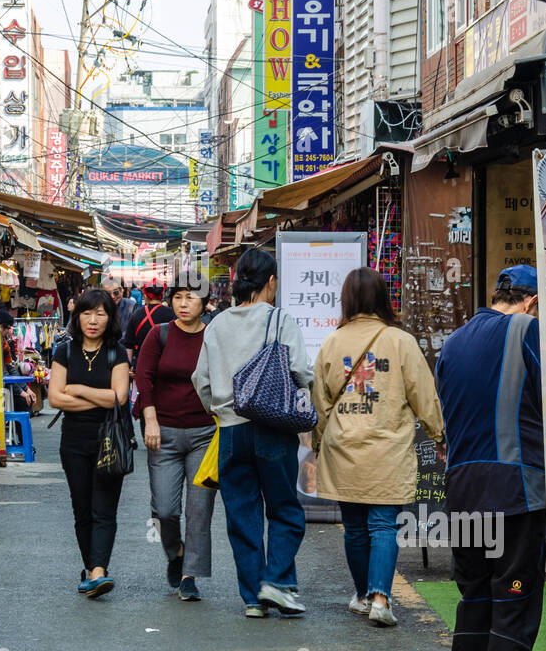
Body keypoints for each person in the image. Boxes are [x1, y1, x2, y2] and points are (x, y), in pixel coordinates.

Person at [434, 264, 546, 651]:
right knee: (513, 601)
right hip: (514, 489)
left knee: (475, 597)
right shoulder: (527, 330)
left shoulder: (454, 342)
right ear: (532, 301)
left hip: (462, 492)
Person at [312, 268, 445, 627]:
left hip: (343, 449)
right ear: (383, 299)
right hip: (387, 449)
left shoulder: (331, 343)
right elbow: (424, 395)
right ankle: (381, 599)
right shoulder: (400, 341)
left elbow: (320, 402)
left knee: (354, 528)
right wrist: (438, 434)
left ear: (347, 300)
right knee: (384, 524)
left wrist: (319, 441)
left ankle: (361, 596)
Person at [193, 249, 313, 617]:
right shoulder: (280, 319)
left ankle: (253, 598)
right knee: (285, 510)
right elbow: (301, 373)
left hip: (231, 432)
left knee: (242, 515)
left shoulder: (216, 325)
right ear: (271, 282)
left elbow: (201, 381)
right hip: (273, 429)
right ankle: (276, 582)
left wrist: (221, 411)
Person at [134, 276, 216, 601]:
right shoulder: (160, 333)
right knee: (165, 509)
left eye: (191, 298)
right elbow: (144, 376)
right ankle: (175, 551)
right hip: (163, 431)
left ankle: (189, 575)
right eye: (178, 297)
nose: (183, 304)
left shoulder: (213, 336)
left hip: (205, 433)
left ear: (205, 303)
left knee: (200, 508)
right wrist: (150, 420)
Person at [47, 287, 131, 598]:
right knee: (82, 508)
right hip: (74, 442)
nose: (93, 320)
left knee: (104, 509)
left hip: (110, 441)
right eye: (86, 313)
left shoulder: (116, 353)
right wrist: (100, 399)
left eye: (100, 313)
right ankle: (90, 568)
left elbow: (119, 397)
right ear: (77, 316)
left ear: (110, 318)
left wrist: (77, 389)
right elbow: (55, 398)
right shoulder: (64, 352)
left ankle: (99, 571)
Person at [124, 284, 175, 362]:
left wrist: (129, 366)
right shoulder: (171, 314)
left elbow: (128, 344)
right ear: (162, 295)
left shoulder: (136, 314)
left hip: (141, 362)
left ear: (145, 296)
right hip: (165, 363)